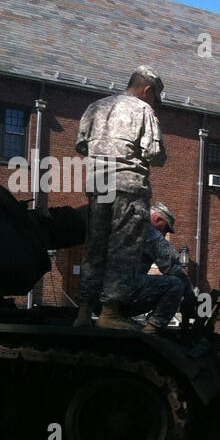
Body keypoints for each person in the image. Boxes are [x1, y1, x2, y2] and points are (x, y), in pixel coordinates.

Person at [74, 66, 166, 328]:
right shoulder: (143, 110)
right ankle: (110, 314)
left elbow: (81, 145)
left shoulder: (95, 107)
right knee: (123, 250)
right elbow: (155, 154)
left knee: (95, 249)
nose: (154, 103)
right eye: (155, 98)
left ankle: (82, 313)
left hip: (98, 185)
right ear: (147, 91)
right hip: (128, 189)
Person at [124, 202, 190, 332]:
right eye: (165, 228)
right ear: (157, 219)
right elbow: (172, 267)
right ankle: (152, 329)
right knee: (176, 284)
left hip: (99, 294)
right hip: (123, 290)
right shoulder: (150, 233)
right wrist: (190, 294)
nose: (165, 234)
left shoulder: (123, 224)